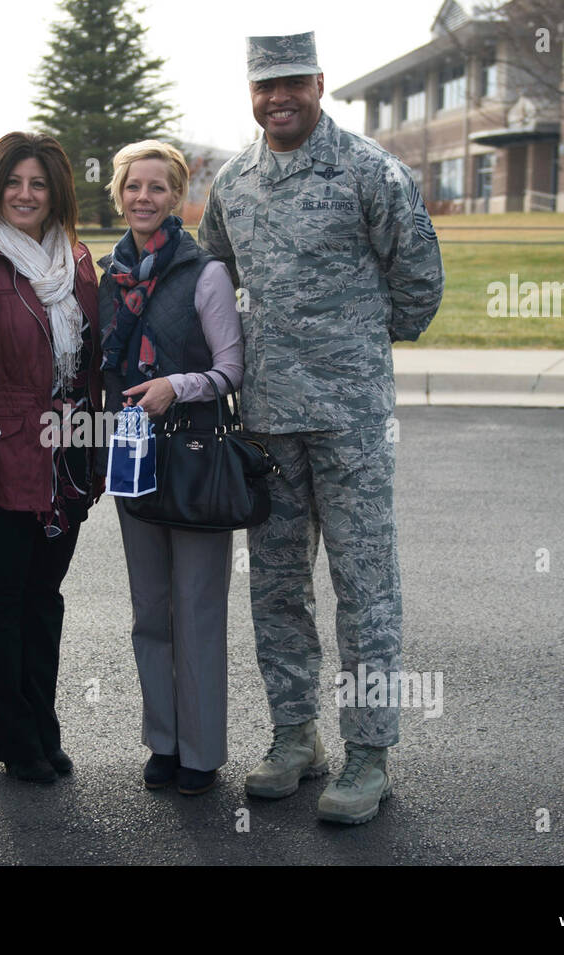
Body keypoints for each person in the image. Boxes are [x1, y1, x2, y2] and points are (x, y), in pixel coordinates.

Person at [198, 31, 444, 824]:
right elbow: (212, 278)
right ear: (251, 93)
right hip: (267, 424)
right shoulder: (233, 184)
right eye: (266, 87)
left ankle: (368, 753)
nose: (280, 99)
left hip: (349, 423)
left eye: (292, 84)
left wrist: (361, 350)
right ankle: (294, 734)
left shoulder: (369, 171)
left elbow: (419, 281)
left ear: (318, 83)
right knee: (275, 587)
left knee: (365, 587)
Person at [0, 132, 102, 784]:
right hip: (3, 464)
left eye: (38, 183)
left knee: (45, 598)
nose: (26, 194)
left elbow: (92, 369)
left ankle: (43, 725)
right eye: (14, 183)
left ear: (55, 192)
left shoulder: (79, 263)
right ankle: (12, 737)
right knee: (2, 602)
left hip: (68, 461)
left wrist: (96, 456)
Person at [99, 141, 243, 796]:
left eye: (159, 187)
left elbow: (230, 370)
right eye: (134, 187)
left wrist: (175, 386)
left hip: (194, 456)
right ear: (120, 193)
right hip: (132, 456)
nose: (144, 198)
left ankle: (201, 750)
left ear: (180, 196)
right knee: (150, 610)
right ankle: (163, 739)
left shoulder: (204, 272)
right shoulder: (110, 274)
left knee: (197, 607)